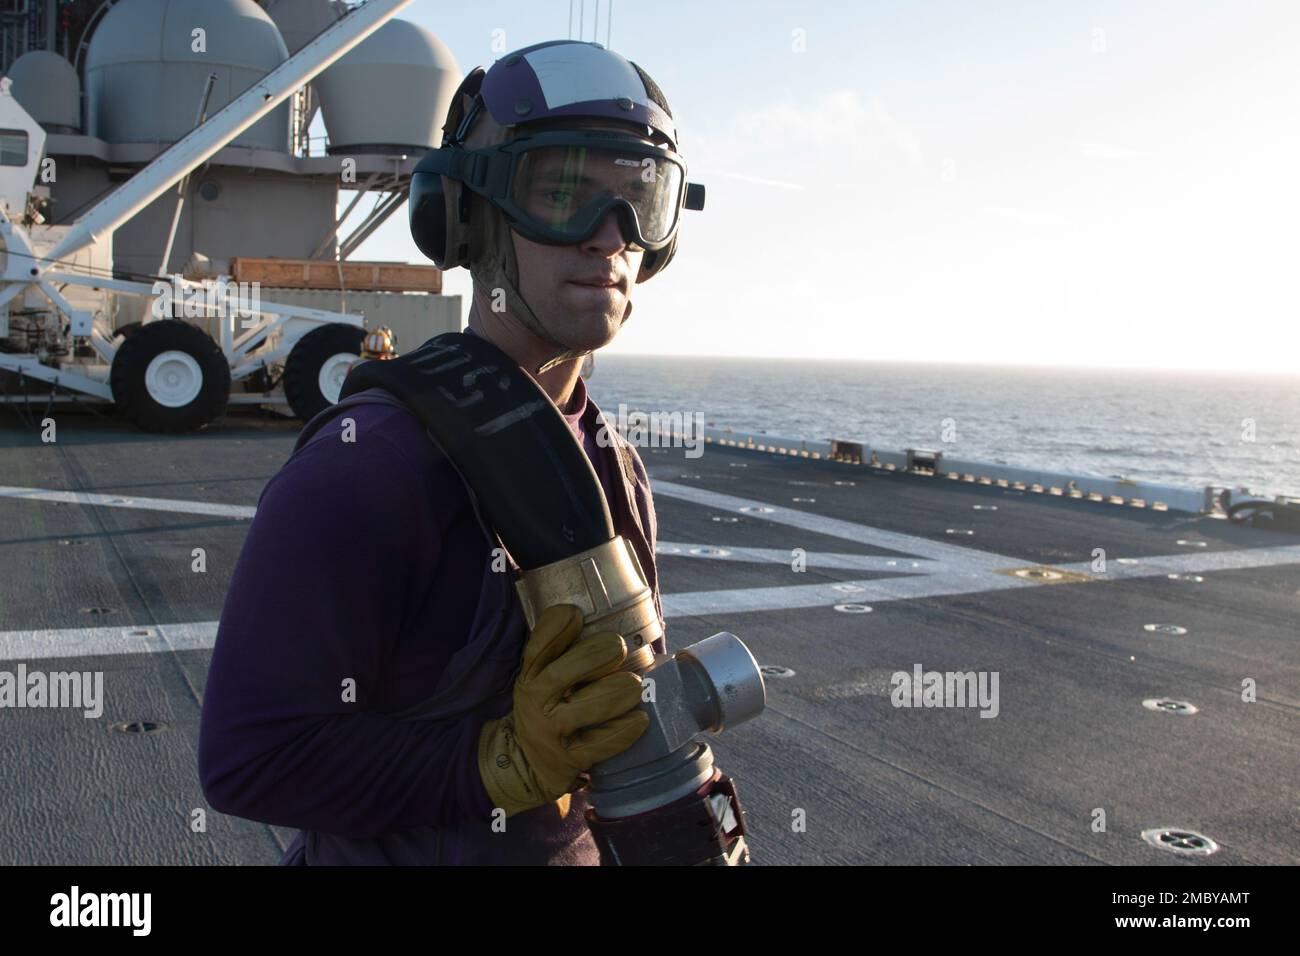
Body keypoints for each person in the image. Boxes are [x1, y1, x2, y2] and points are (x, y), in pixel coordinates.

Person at [197, 39, 702, 865]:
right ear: (469, 213)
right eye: (563, 191)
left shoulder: (612, 461)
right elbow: (249, 758)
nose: (610, 237)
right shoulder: (369, 468)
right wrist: (492, 764)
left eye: (640, 197)